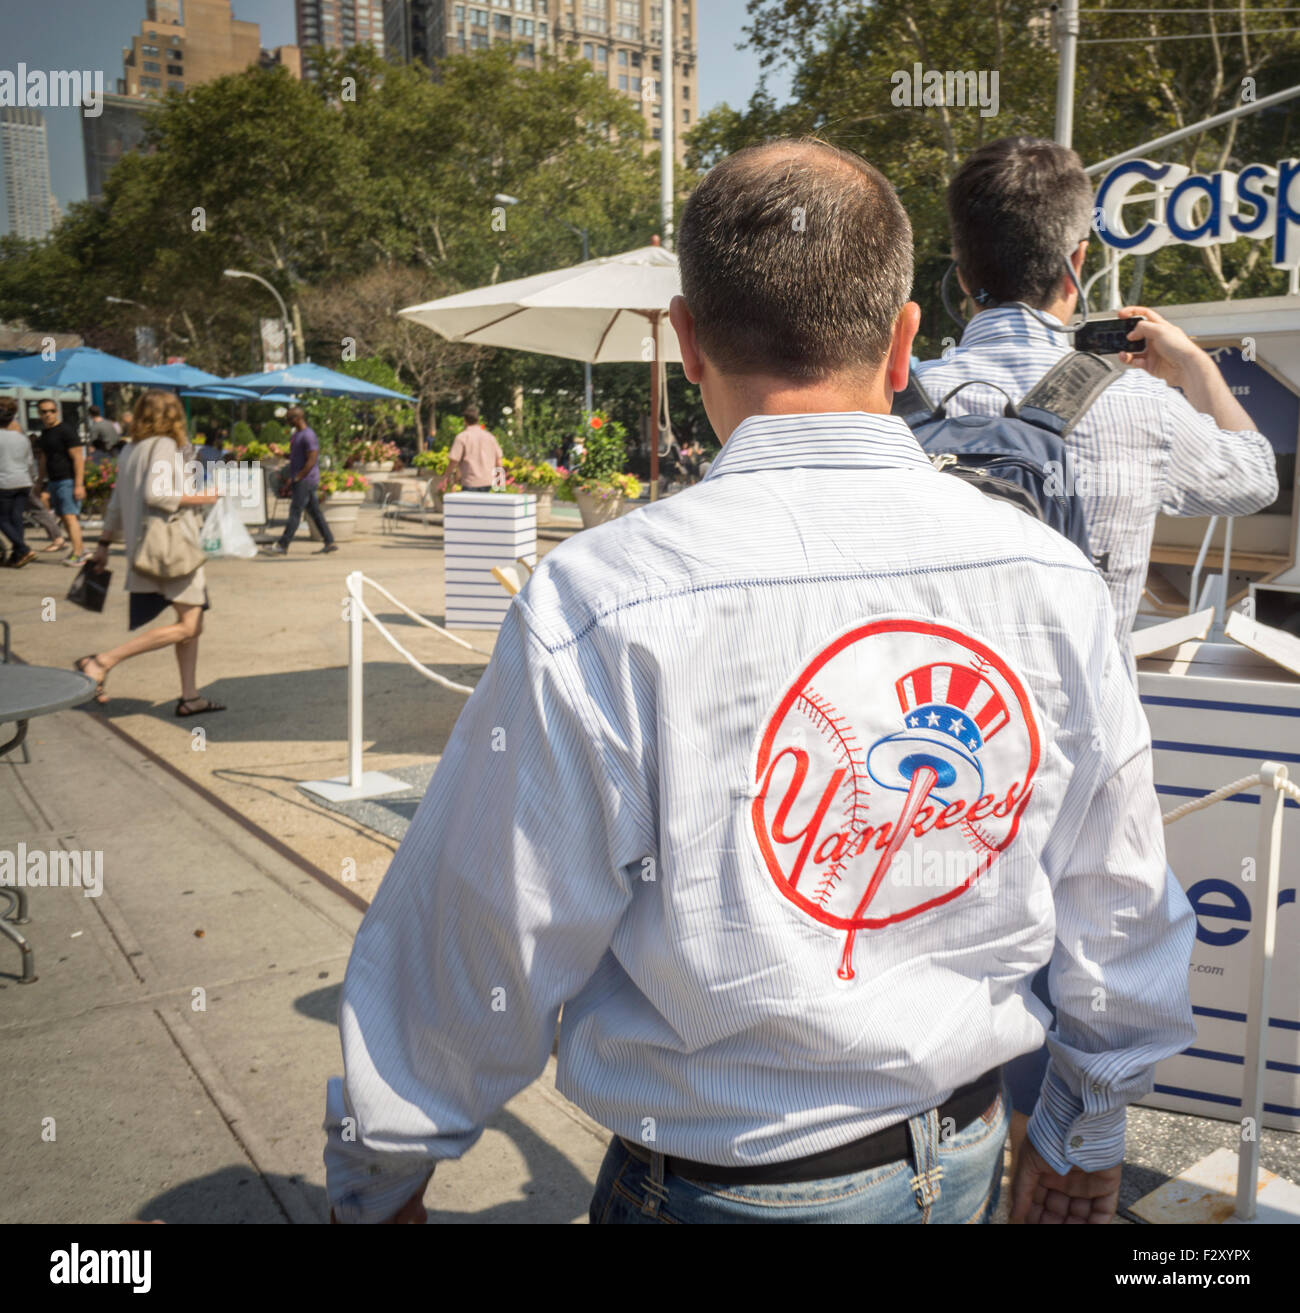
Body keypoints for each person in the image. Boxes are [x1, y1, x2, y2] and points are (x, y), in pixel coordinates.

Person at [323, 138, 1195, 1227]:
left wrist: (381, 1168)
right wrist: (1081, 1130)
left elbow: (479, 933)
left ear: (686, 340)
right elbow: (1120, 903)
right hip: (964, 1155)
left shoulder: (601, 599)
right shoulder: (1049, 581)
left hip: (719, 1191)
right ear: (902, 344)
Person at [913, 136, 1279, 642]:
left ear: (961, 271)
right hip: (1084, 717)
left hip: (942, 709)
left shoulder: (891, 403)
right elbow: (1257, 478)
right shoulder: (1142, 406)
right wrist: (1192, 363)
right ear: (1076, 265)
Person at [75, 390, 225, 718]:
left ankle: (190, 696)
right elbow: (158, 494)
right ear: (173, 416)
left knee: (190, 624)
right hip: (172, 548)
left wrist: (103, 545)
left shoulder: (131, 449)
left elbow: (115, 504)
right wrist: (205, 497)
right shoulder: (164, 446)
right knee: (189, 625)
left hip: (144, 547)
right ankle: (101, 662)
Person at [264, 406, 336, 556]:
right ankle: (330, 541)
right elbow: (295, 457)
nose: (288, 422)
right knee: (315, 512)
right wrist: (280, 453)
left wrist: (298, 477)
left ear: (298, 418)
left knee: (295, 512)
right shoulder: (297, 435)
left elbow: (312, 459)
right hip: (302, 478)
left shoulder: (309, 435)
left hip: (306, 479)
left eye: (289, 419)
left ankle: (283, 545)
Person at [34, 398, 89, 566]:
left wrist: (79, 485)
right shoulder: (44, 434)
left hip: (68, 480)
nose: (48, 414)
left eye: (51, 411)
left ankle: (78, 554)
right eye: (44, 411)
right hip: (54, 481)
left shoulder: (66, 431)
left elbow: (78, 458)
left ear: (57, 411)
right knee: (64, 518)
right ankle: (81, 549)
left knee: (69, 517)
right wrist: (39, 481)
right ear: (39, 414)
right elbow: (43, 459)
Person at [0, 396, 37, 567]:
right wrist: (34, 479)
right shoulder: (21, 438)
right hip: (23, 481)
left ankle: (23, 548)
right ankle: (17, 555)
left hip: (5, 482)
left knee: (3, 519)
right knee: (16, 518)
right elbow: (30, 461)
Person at [440, 405, 502, 493]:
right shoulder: (490, 437)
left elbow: (454, 461)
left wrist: (446, 477)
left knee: (470, 506)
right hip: (488, 482)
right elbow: (499, 461)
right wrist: (499, 481)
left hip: (470, 482)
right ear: (478, 420)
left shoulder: (462, 437)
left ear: (465, 421)